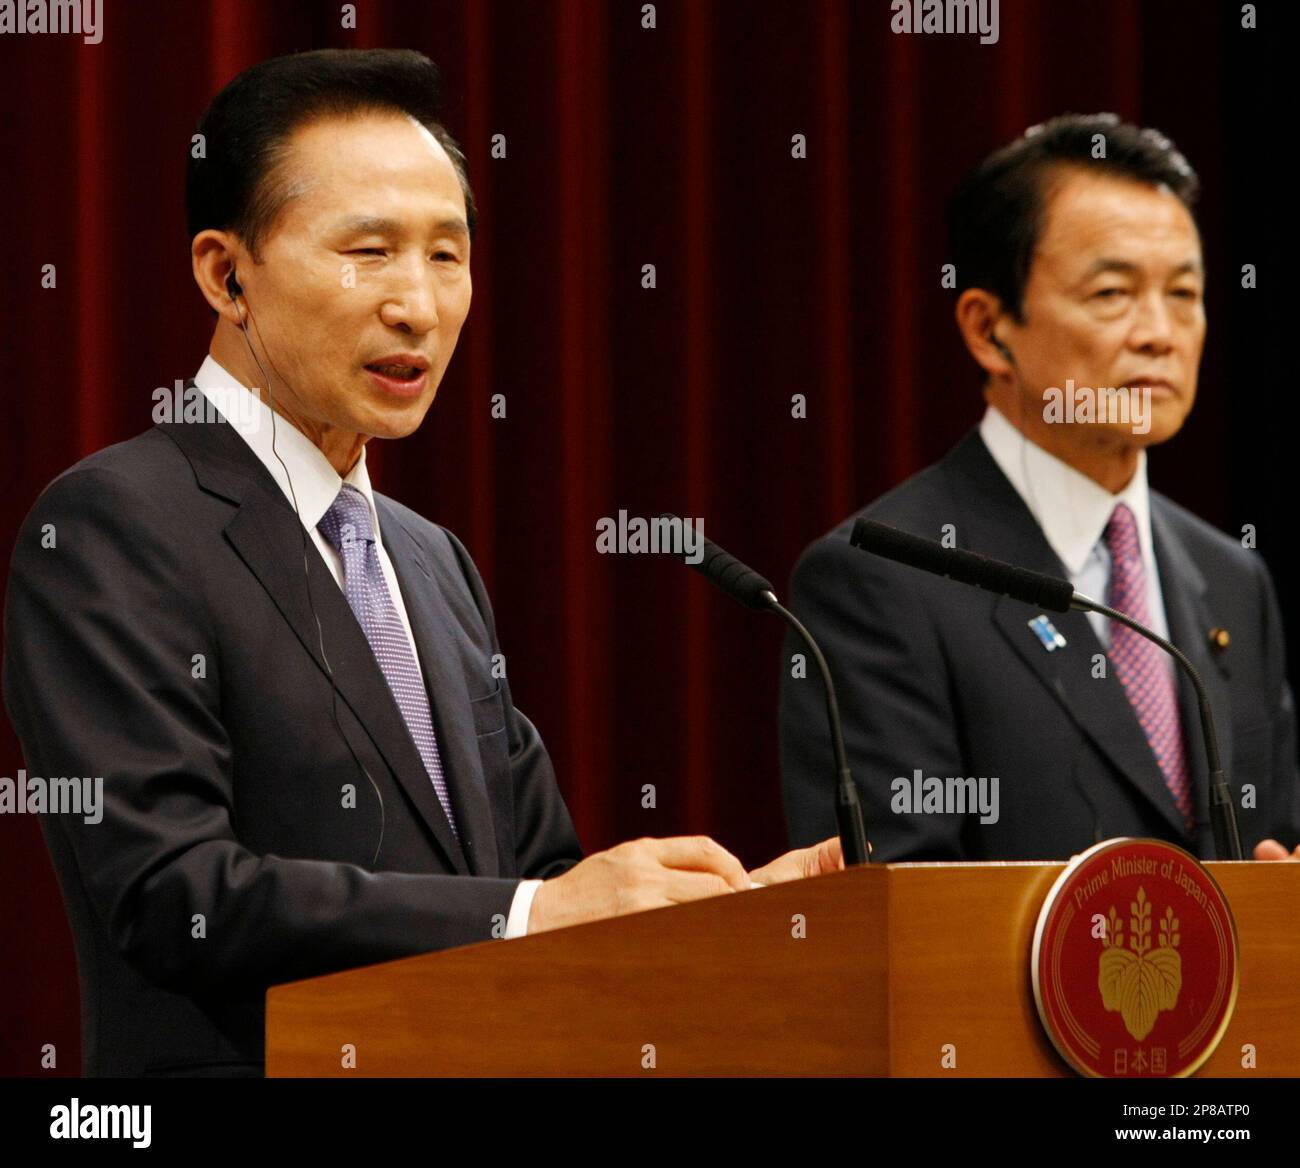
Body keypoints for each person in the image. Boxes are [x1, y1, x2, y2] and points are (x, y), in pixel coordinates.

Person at [2, 48, 839, 1078]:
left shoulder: (429, 561)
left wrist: (721, 915)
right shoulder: (114, 523)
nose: (419, 305)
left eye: (447, 256)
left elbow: (534, 881)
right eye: (368, 250)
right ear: (226, 275)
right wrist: (535, 910)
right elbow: (177, 896)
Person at [779, 113, 1300, 865]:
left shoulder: (1231, 578)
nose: (1161, 332)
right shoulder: (883, 578)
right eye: (1113, 292)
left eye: (1185, 294)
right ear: (990, 329)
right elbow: (893, 925)